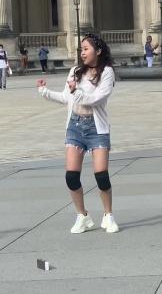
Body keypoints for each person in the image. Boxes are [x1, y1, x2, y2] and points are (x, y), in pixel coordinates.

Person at [36, 33, 119, 234]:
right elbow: (67, 97)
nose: (82, 53)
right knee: (71, 177)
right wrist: (46, 92)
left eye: (86, 49)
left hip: (96, 128)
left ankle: (108, 215)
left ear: (98, 51)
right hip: (75, 126)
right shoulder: (75, 71)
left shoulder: (107, 72)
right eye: (81, 49)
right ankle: (82, 216)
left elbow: (97, 98)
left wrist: (76, 92)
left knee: (101, 175)